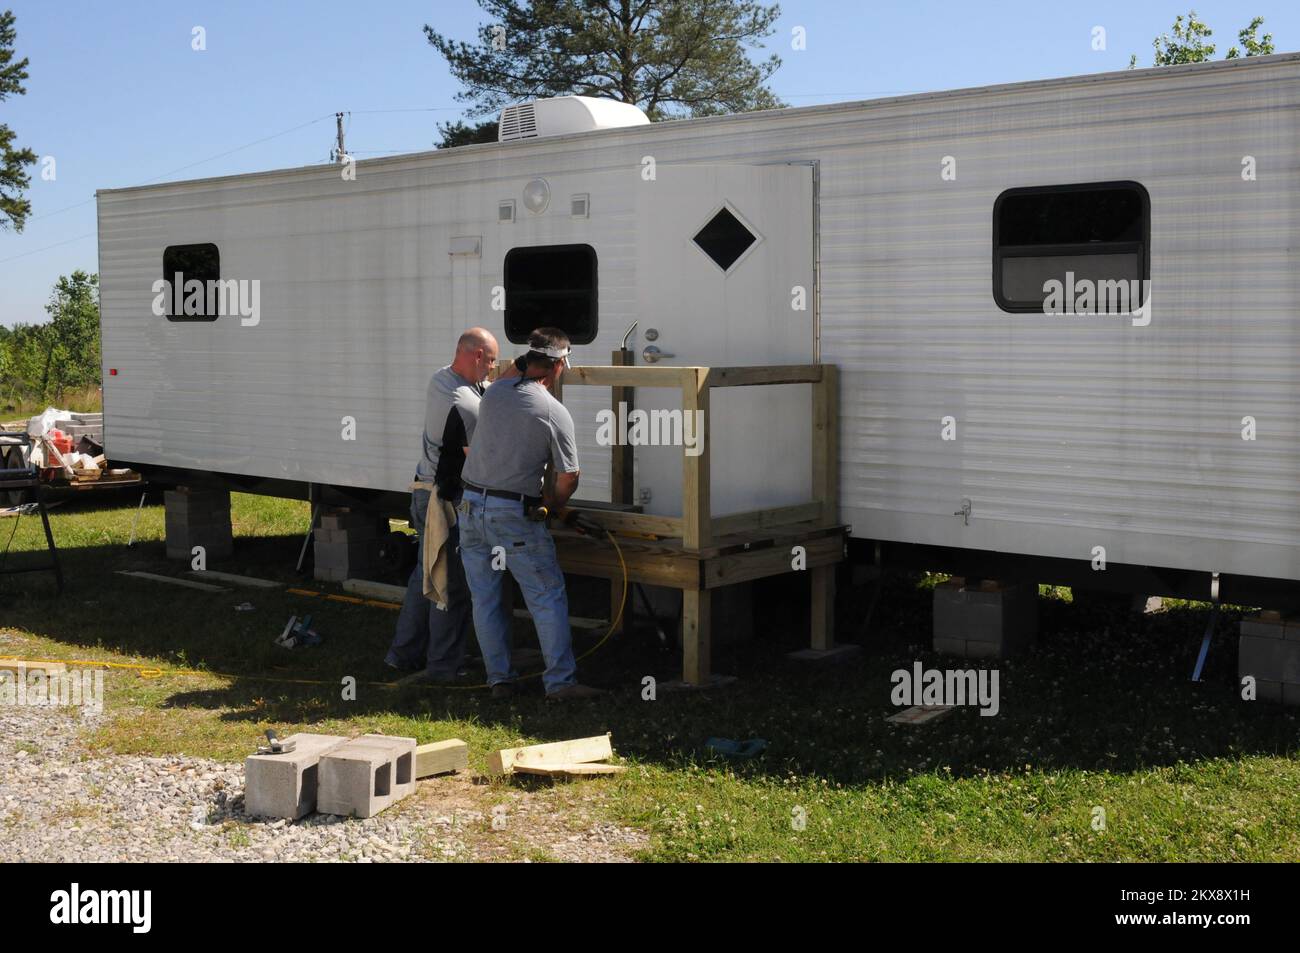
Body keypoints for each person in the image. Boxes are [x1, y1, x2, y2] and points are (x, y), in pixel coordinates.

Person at [458, 327, 604, 700]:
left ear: (527, 359)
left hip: (471, 507)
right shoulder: (553, 411)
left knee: (486, 598)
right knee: (546, 595)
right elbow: (569, 477)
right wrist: (554, 507)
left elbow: (513, 373)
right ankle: (559, 683)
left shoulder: (496, 394)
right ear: (559, 366)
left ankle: (499, 681)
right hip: (512, 514)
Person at [384, 327, 499, 682]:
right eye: (491, 361)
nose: (493, 369)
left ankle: (403, 655)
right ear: (476, 355)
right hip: (446, 500)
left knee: (426, 576)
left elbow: (484, 389)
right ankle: (444, 666)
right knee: (450, 584)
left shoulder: (442, 379)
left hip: (425, 490)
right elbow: (484, 455)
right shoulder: (466, 406)